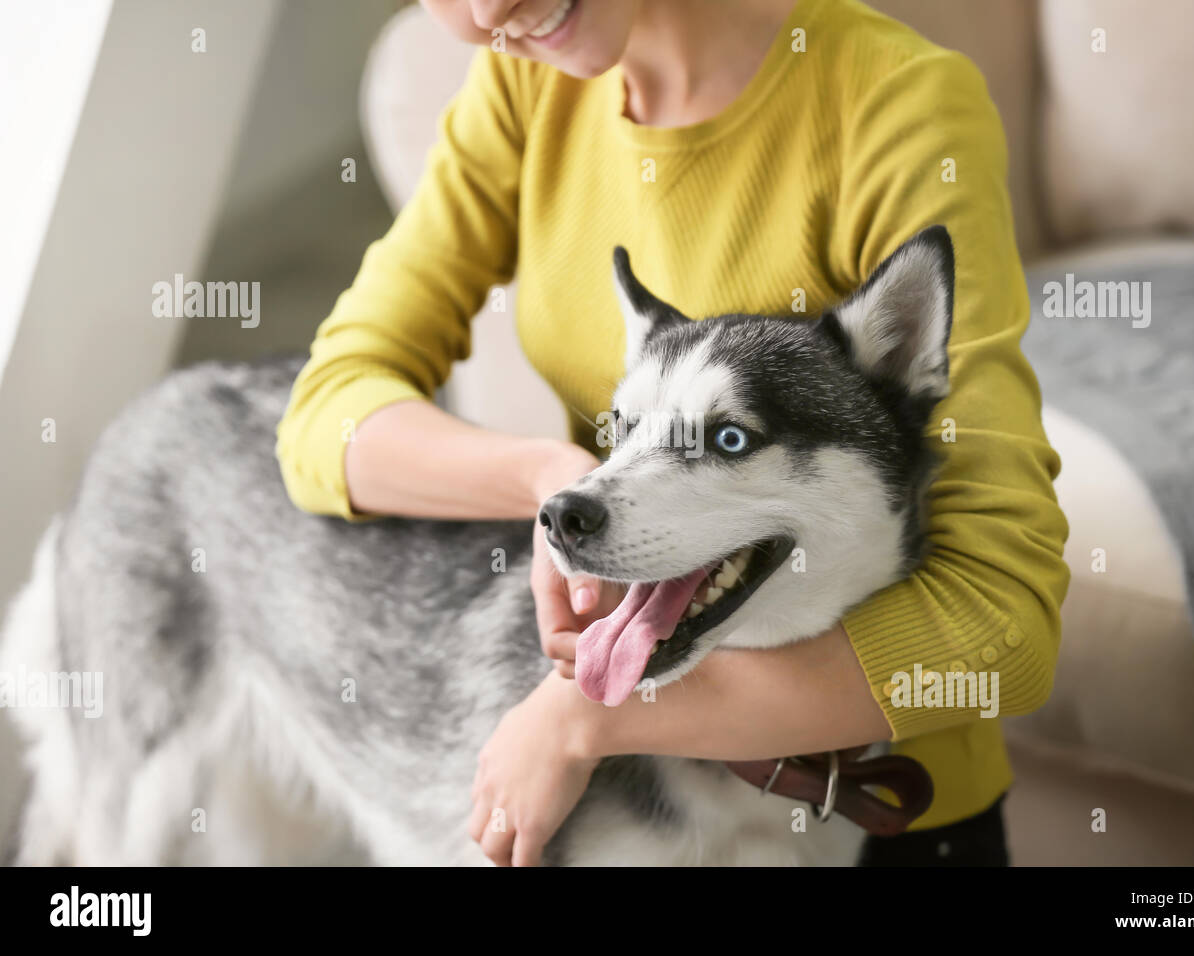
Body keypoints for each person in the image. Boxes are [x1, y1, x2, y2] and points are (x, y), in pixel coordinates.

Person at [275, 0, 1070, 866]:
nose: (485, 7)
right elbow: (325, 418)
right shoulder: (526, 77)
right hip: (637, 761)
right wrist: (550, 480)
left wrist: (587, 714)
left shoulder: (893, 103)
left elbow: (1007, 627)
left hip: (879, 807)